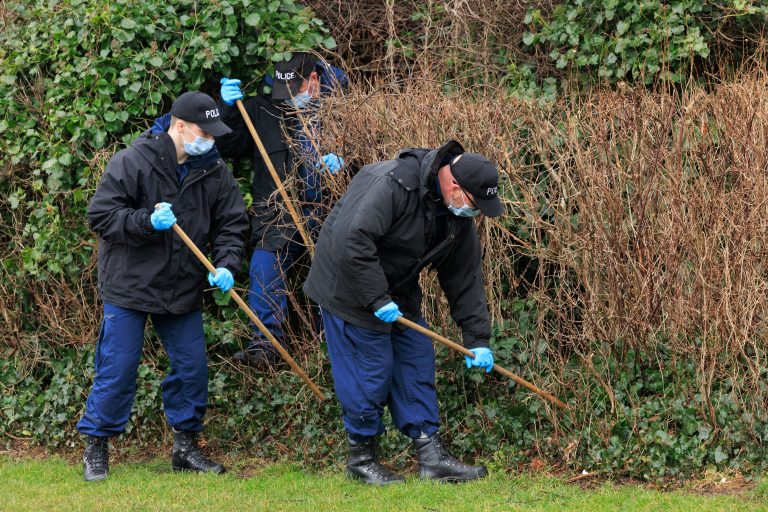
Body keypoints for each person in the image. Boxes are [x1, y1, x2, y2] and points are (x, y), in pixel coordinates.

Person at [303, 140, 504, 485]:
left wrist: (477, 338)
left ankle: (431, 457)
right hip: (348, 285)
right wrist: (376, 298)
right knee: (369, 370)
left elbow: (465, 278)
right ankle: (361, 459)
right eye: (476, 204)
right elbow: (354, 240)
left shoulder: (456, 217)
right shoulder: (394, 185)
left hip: (397, 288)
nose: (478, 213)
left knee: (415, 360)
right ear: (454, 185)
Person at [77, 92, 249, 481]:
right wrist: (143, 222)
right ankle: (96, 447)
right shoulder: (133, 161)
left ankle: (185, 449)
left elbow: (232, 224)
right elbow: (101, 215)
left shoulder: (213, 170)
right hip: (130, 284)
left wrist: (226, 263)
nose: (211, 140)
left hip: (182, 285)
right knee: (118, 367)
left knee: (192, 370)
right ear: (180, 126)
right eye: (204, 132)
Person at [216, 52, 347, 369]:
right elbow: (228, 145)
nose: (289, 101)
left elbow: (369, 157)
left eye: (295, 92)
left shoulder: (342, 111)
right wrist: (226, 110)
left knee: (332, 274)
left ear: (313, 81)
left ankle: (330, 347)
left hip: (329, 213)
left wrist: (346, 162)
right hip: (277, 214)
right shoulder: (264, 111)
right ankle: (266, 345)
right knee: (264, 266)